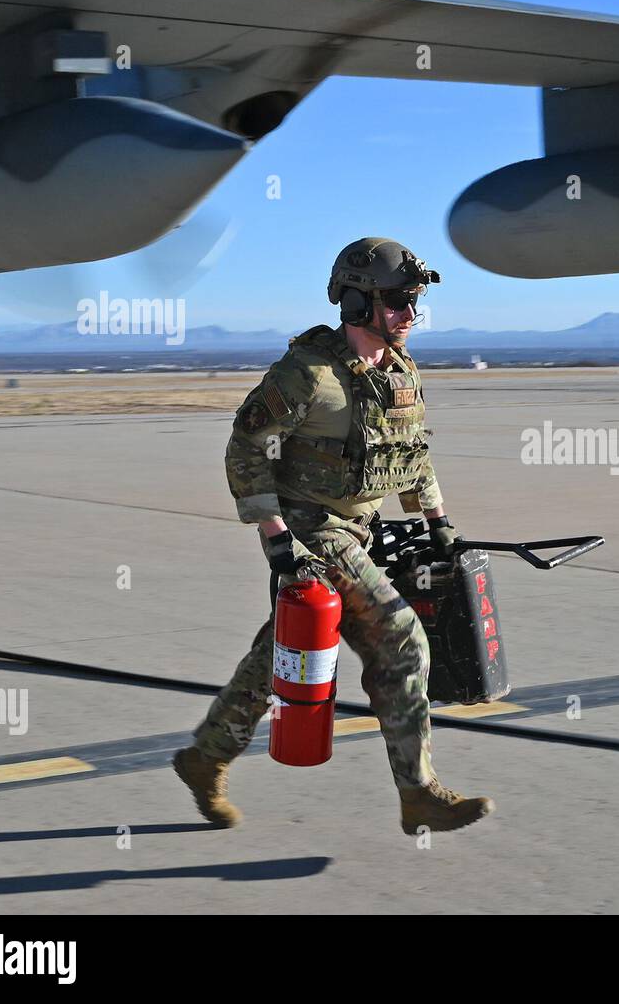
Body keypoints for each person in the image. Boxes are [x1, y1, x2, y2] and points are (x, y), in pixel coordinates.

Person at [173, 237, 494, 835]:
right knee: (402, 638)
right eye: (398, 301)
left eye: (413, 301)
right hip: (313, 530)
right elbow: (247, 451)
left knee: (281, 655)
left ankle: (203, 758)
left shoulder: (398, 372)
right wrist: (277, 541)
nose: (410, 314)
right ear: (356, 302)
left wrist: (438, 522)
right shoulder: (306, 377)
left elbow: (413, 455)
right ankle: (418, 793)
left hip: (360, 530)